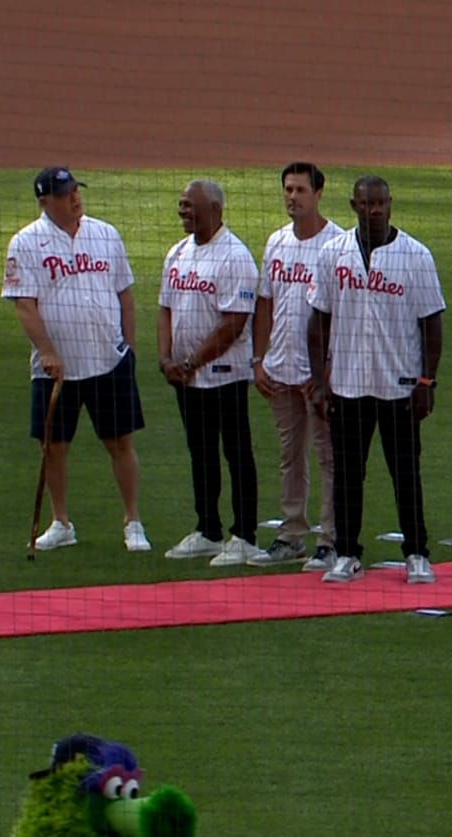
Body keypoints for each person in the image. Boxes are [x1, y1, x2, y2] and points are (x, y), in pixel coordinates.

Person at [2, 167, 151, 553]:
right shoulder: (26, 243)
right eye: (65, 193)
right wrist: (47, 352)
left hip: (107, 359)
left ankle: (133, 520)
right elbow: (24, 305)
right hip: (54, 369)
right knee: (53, 446)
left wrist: (129, 347)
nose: (75, 198)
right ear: (44, 201)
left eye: (75, 191)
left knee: (120, 441)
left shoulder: (105, 233)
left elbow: (125, 293)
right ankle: (61, 522)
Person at [306, 176, 444, 585]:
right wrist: (318, 381)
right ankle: (347, 552)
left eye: (382, 203)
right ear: (354, 206)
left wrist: (426, 382)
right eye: (367, 204)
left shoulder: (416, 256)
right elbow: (318, 321)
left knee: (406, 473)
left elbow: (432, 324)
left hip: (399, 385)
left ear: (391, 204)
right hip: (347, 385)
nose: (375, 210)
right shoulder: (333, 254)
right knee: (347, 473)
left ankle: (417, 552)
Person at [156, 179, 262, 566]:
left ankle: (246, 534)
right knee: (199, 452)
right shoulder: (178, 253)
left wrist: (190, 362)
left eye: (189, 205)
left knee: (236, 452)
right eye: (181, 204)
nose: (182, 211)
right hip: (187, 378)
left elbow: (234, 323)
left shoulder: (235, 256)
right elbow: (165, 308)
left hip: (224, 375)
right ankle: (208, 530)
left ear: (214, 209)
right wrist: (166, 358)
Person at [249, 162, 346, 571]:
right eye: (288, 189)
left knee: (328, 456)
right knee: (290, 455)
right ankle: (291, 534)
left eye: (300, 190)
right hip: (279, 368)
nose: (292, 197)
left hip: (319, 375)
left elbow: (343, 314)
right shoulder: (276, 242)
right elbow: (265, 303)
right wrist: (258, 359)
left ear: (318, 193)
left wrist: (325, 371)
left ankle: (332, 539)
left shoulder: (338, 244)